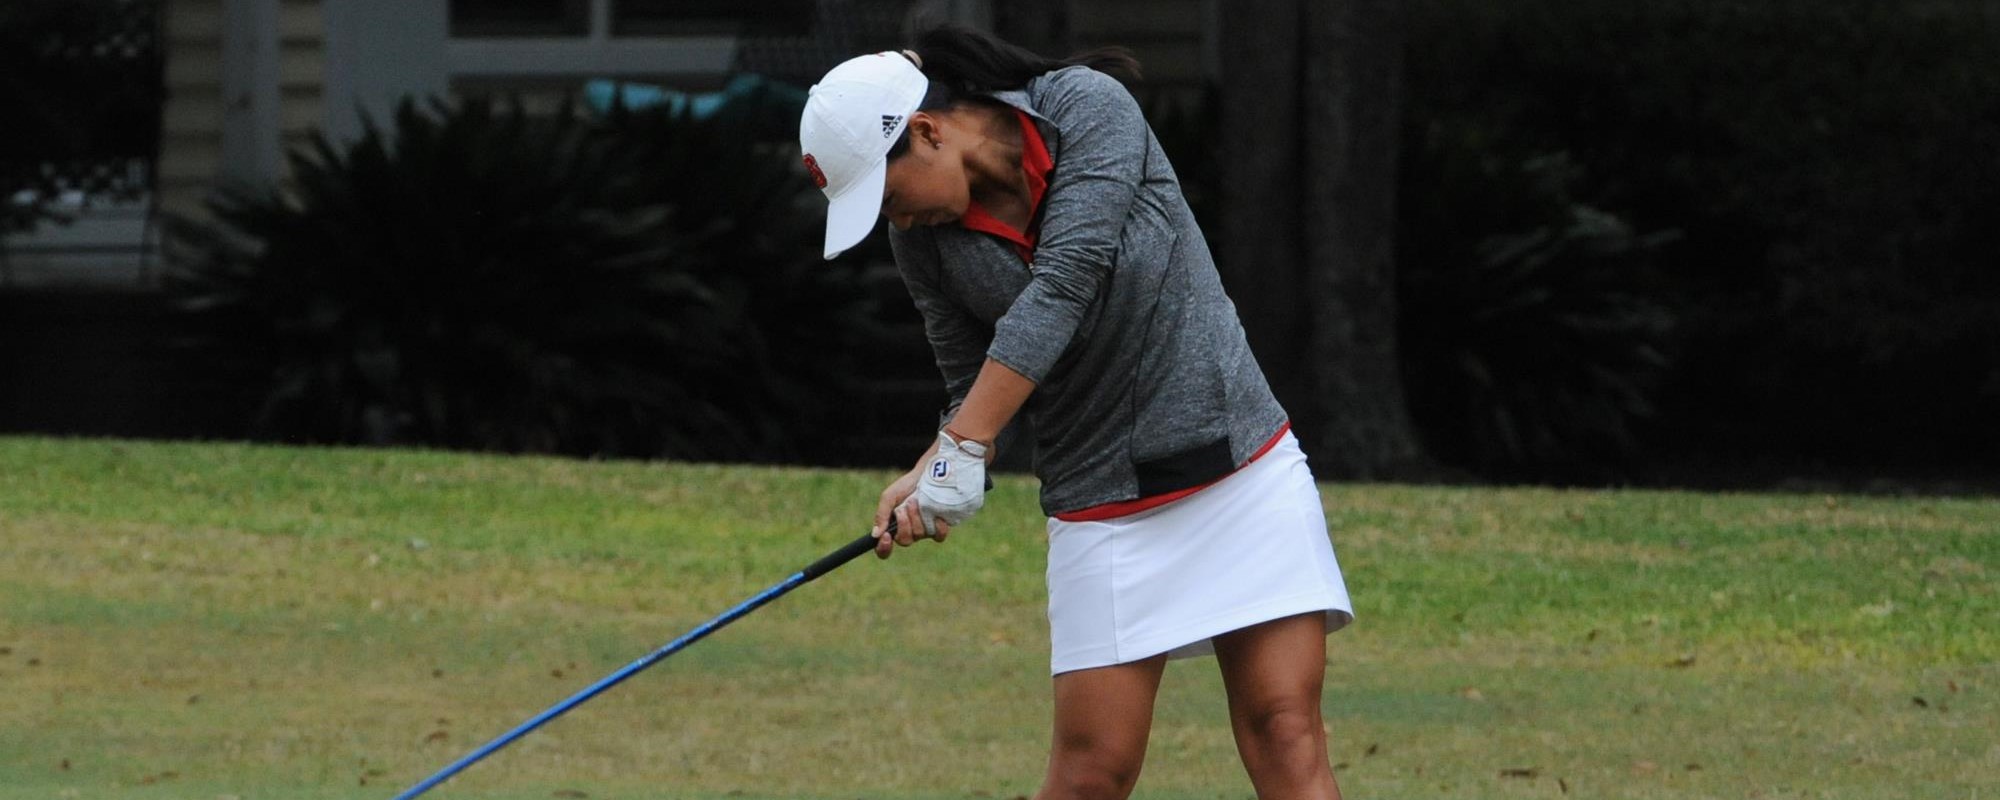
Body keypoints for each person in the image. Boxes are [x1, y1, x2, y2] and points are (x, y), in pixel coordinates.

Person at [798, 23, 1354, 800]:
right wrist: (935, 471)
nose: (895, 220)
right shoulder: (925, 245)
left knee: (1286, 732)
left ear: (927, 132)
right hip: (1101, 506)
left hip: (1242, 470)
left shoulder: (1087, 111)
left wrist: (963, 442)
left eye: (888, 196)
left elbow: (1068, 280)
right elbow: (973, 387)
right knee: (1091, 775)